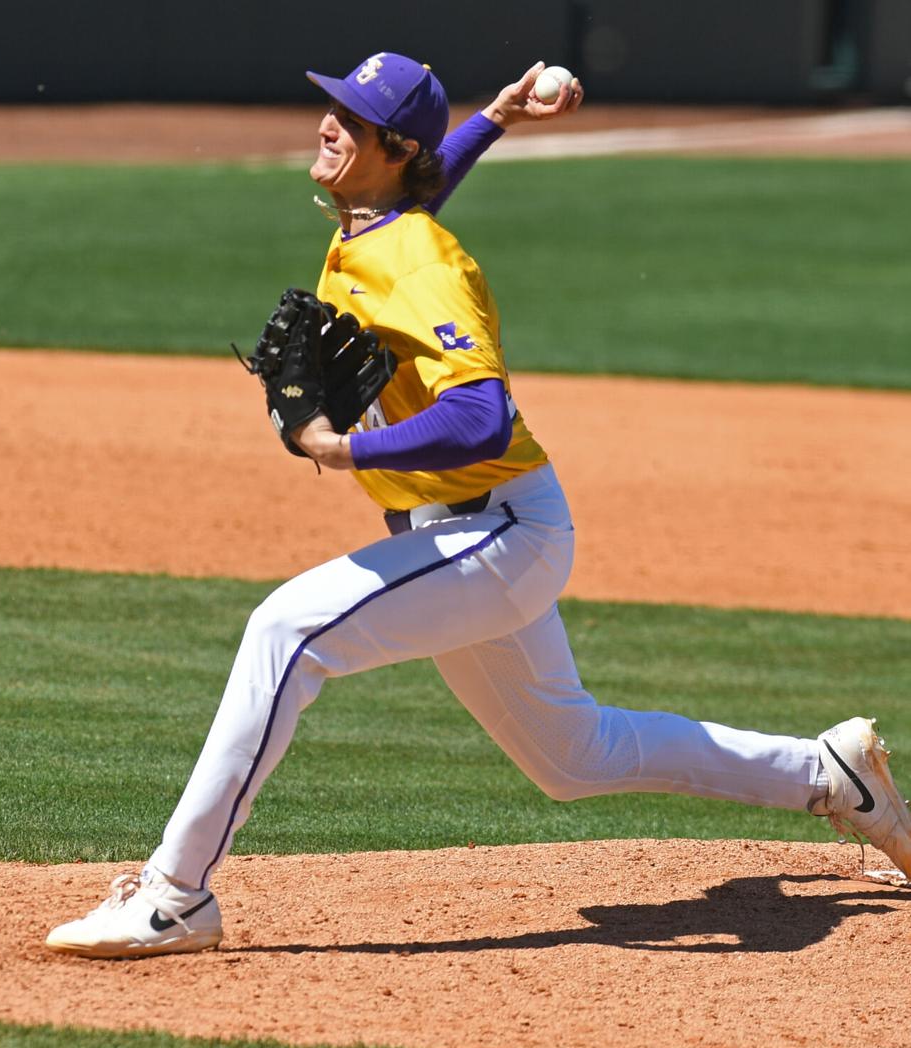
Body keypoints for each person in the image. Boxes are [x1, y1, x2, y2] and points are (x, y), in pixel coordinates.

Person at [46, 53, 911, 959]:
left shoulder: (415, 254)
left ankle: (175, 895)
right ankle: (829, 771)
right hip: (474, 529)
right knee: (574, 755)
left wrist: (345, 449)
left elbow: (479, 414)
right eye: (332, 107)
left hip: (499, 531)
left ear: (393, 149)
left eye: (351, 118)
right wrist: (493, 119)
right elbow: (419, 197)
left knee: (285, 632)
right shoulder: (376, 222)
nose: (327, 123)